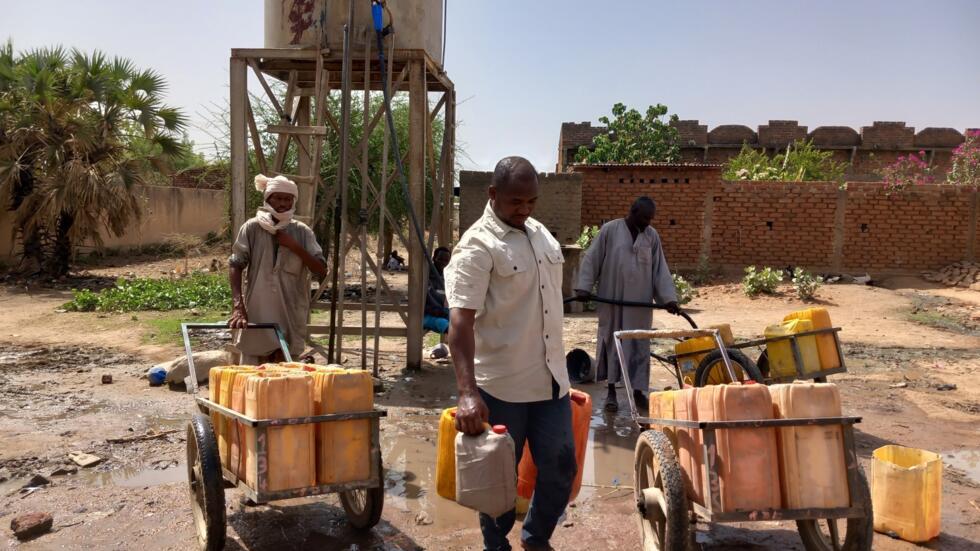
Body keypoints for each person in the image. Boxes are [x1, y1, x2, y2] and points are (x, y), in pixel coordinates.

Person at [446, 156, 574, 551]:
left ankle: (536, 539)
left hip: (552, 383)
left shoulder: (540, 234)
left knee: (560, 469)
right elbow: (460, 324)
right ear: (493, 194)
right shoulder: (477, 245)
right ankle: (495, 545)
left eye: (531, 201)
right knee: (497, 481)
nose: (525, 209)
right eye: (516, 202)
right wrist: (468, 393)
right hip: (502, 387)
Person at [574, 196, 680, 413]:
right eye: (644, 218)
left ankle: (639, 392)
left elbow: (660, 269)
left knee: (638, 344)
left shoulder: (651, 236)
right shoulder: (610, 231)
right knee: (612, 343)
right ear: (632, 211)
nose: (647, 223)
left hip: (639, 305)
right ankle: (611, 391)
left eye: (650, 219)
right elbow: (592, 259)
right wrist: (584, 287)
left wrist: (669, 299)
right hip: (611, 300)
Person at [228, 174, 327, 364]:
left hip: (289, 313)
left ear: (293, 201)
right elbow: (235, 264)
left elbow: (321, 269)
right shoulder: (252, 228)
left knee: (286, 374)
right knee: (251, 373)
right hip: (257, 314)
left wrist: (294, 246)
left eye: (287, 199)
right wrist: (238, 306)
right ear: (267, 198)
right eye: (278, 198)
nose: (282, 203)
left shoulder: (302, 231)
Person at [423, 246, 451, 335]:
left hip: (442, 313)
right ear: (434, 259)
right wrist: (439, 311)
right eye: (440, 259)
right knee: (443, 323)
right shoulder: (425, 276)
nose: (443, 263)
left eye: (446, 260)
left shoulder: (447, 277)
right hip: (426, 315)